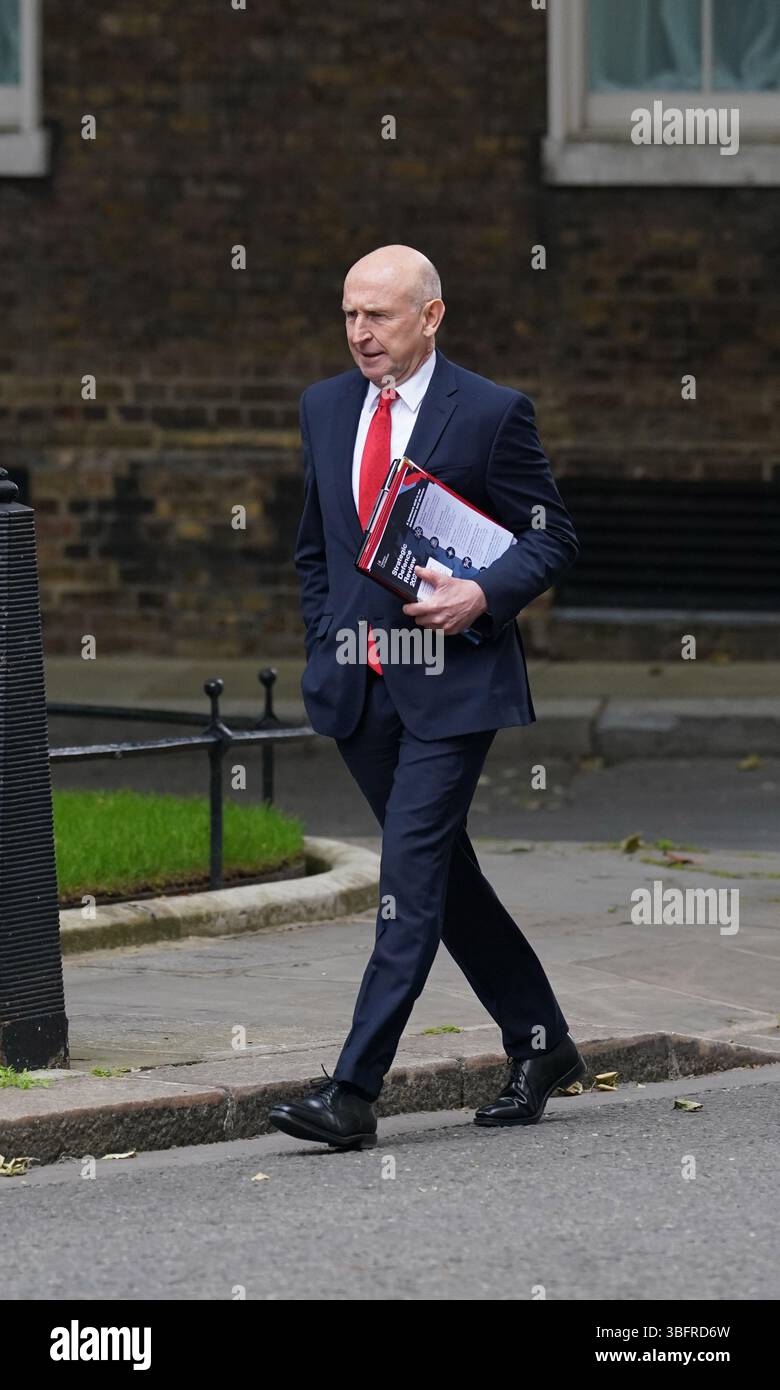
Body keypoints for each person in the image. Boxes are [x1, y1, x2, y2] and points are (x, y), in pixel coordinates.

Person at [269, 245, 584, 1150]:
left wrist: (484, 594)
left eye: (380, 316)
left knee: (408, 876)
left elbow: (551, 536)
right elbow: (313, 548)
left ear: (431, 316)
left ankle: (353, 1090)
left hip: (455, 687)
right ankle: (542, 1042)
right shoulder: (324, 407)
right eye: (349, 316)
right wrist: (325, 642)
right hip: (358, 688)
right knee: (445, 874)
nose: (361, 333)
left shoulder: (489, 414)